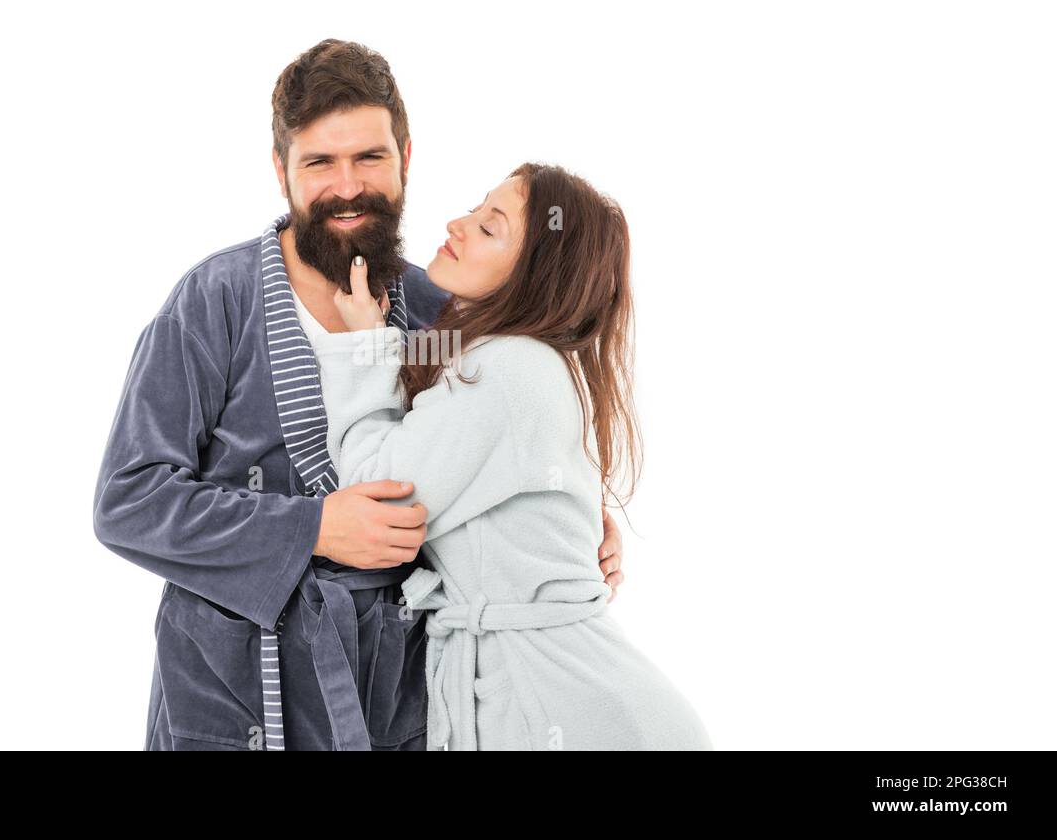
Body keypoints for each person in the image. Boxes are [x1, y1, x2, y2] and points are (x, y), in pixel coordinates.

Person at [91, 39, 626, 750]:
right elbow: (129, 499)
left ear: (407, 157)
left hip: (396, 700)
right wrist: (311, 527)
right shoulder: (212, 303)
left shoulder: (441, 307)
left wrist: (564, 523)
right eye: (320, 162)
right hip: (229, 698)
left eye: (370, 158)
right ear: (281, 171)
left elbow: (484, 452)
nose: (348, 186)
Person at [316, 163, 715, 750]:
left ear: (534, 274)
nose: (457, 224)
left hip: (578, 715)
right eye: (476, 210)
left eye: (489, 229)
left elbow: (373, 490)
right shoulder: (526, 362)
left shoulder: (505, 368)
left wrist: (360, 348)